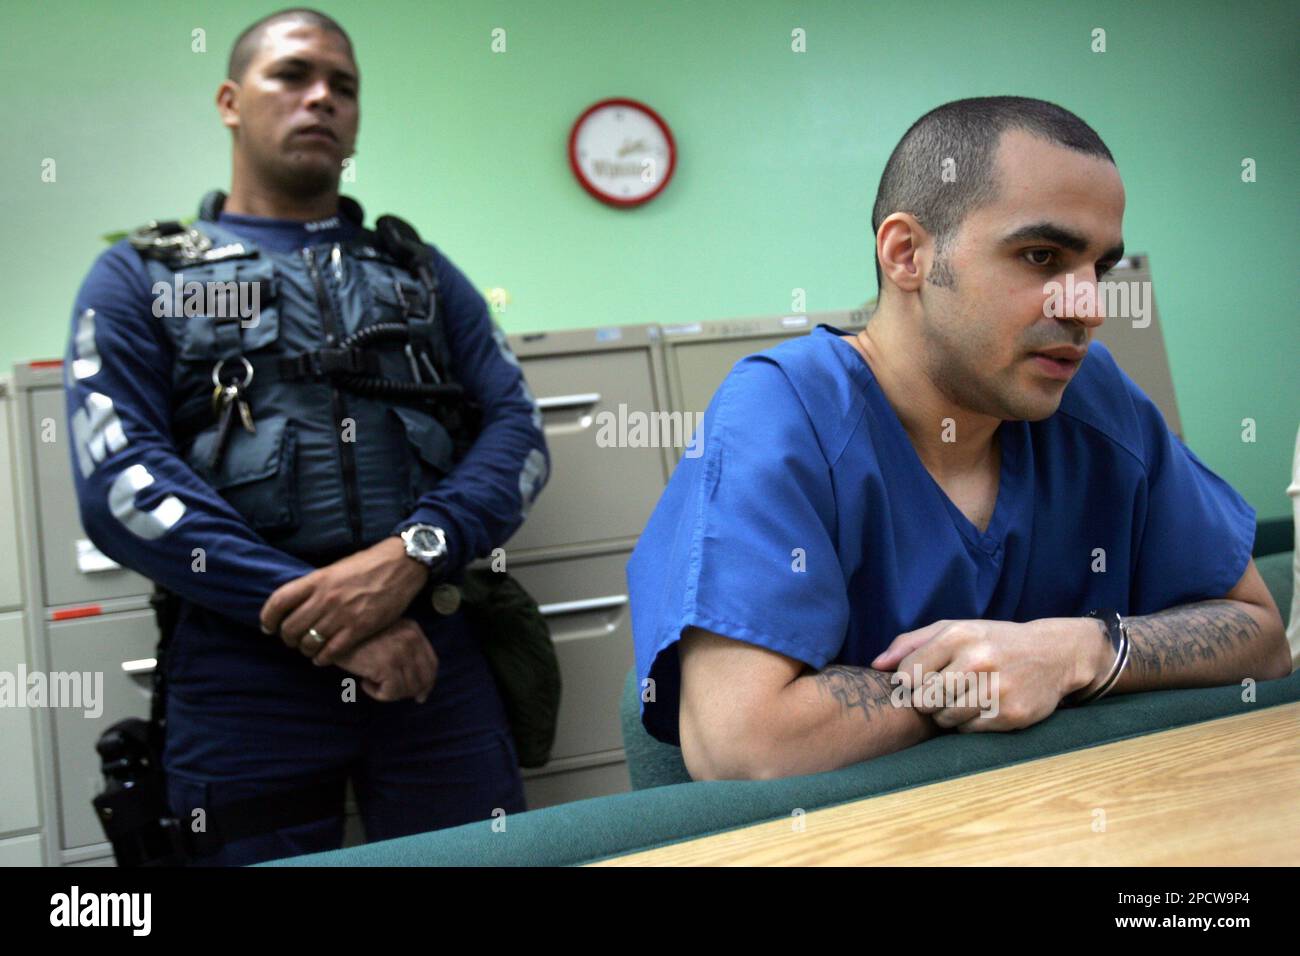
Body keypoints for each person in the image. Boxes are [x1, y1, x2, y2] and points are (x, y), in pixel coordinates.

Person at [626, 95, 1289, 781]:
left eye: (1101, 269)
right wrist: (982, 678)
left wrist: (1074, 653)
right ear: (907, 254)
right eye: (1041, 255)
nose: (1088, 308)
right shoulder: (786, 411)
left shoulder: (1092, 398)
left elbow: (1262, 636)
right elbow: (744, 745)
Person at [66, 8, 549, 863]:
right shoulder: (144, 276)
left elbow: (518, 432)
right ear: (230, 99)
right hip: (243, 675)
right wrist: (337, 616)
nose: (321, 97)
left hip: (432, 655)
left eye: (345, 86)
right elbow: (119, 481)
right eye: (292, 75)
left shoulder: (420, 272)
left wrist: (412, 555)